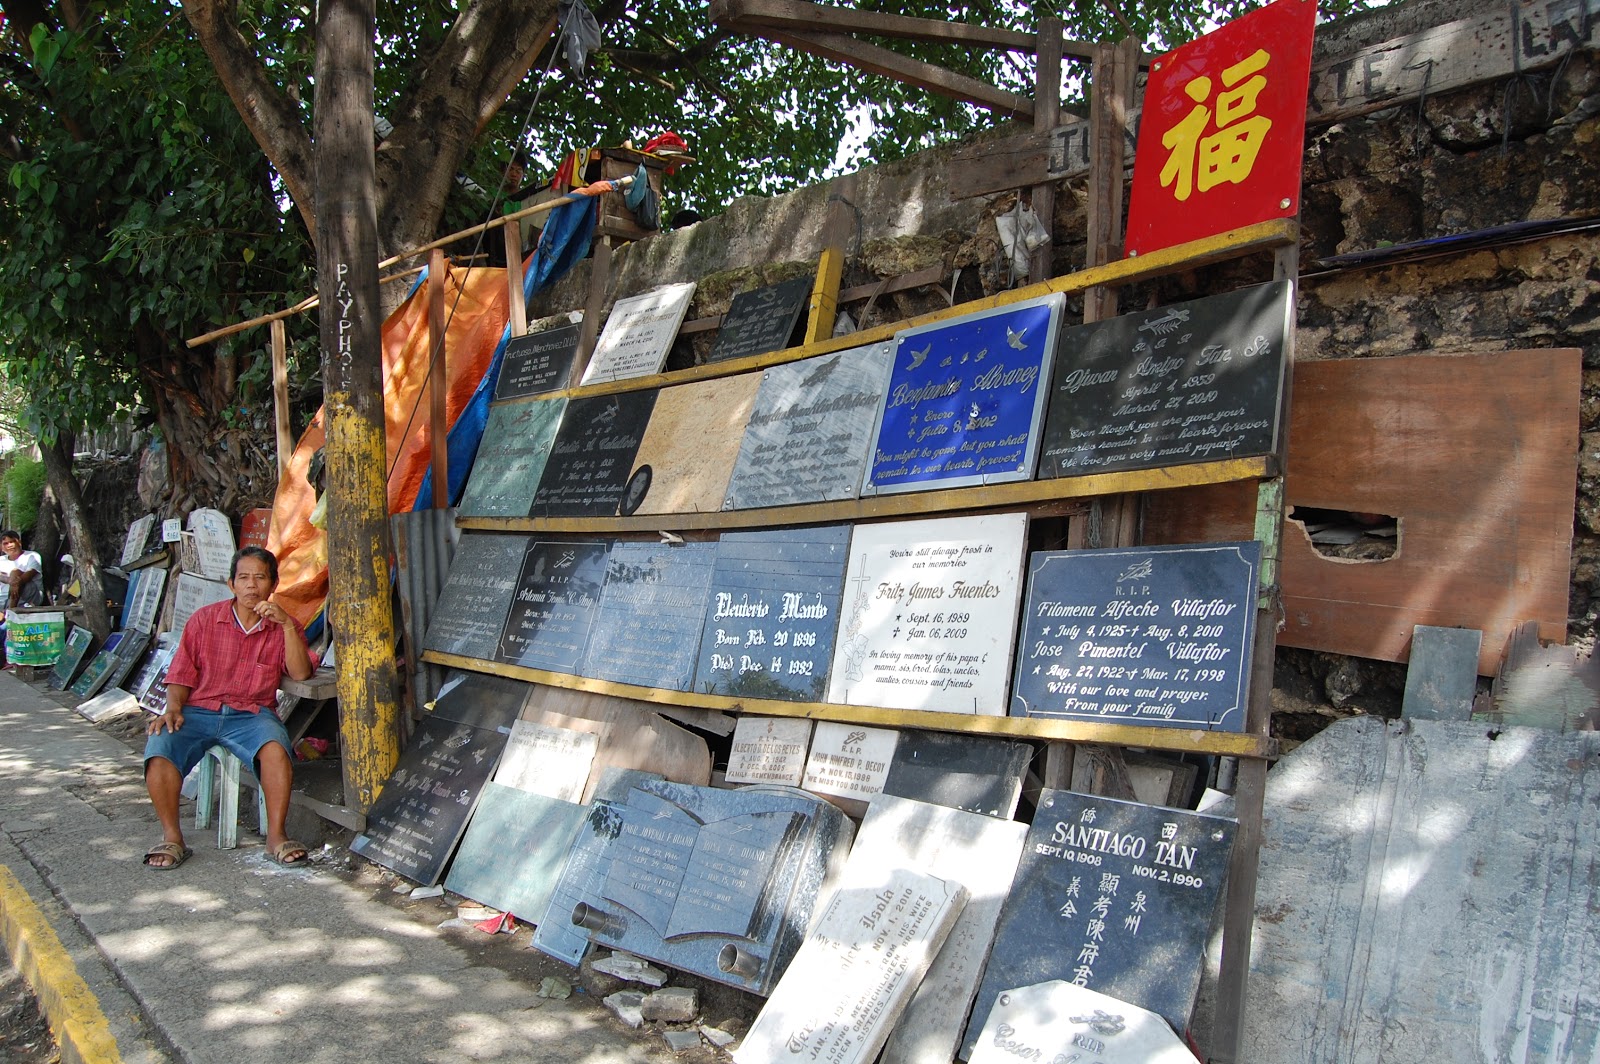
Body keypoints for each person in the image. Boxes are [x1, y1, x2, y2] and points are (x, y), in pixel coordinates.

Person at [143, 546, 316, 869]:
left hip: (251, 714)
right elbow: (181, 673)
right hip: (199, 710)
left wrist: (288, 627)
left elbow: (301, 672)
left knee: (276, 749)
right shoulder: (204, 620)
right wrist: (173, 708)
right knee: (160, 745)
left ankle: (276, 837)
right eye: (244, 578)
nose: (252, 586)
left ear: (273, 584)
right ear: (231, 584)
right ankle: (172, 837)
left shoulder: (283, 624)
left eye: (260, 578)